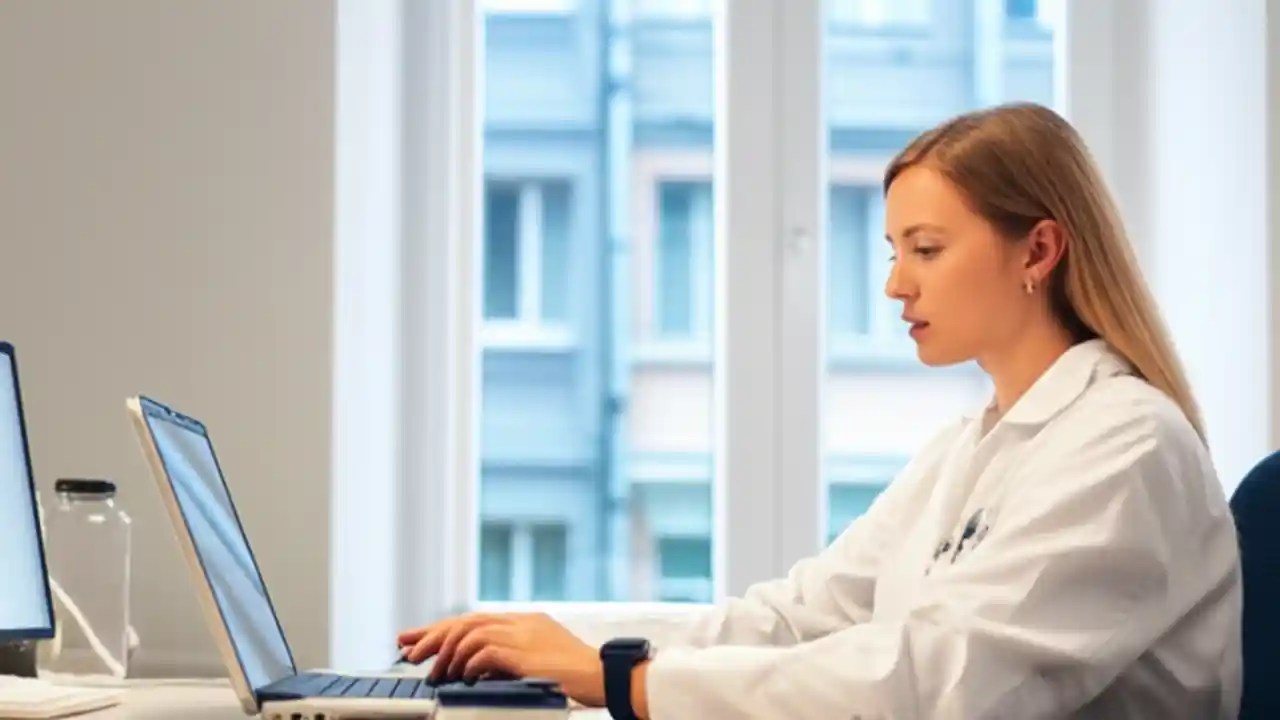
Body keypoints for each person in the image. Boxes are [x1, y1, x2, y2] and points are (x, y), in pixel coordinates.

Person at [395, 102, 1242, 719]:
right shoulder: (969, 450)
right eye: (893, 250)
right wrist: (546, 636)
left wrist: (621, 680)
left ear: (1040, 249)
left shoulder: (1128, 447)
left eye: (927, 249)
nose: (895, 284)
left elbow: (933, 684)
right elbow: (789, 620)